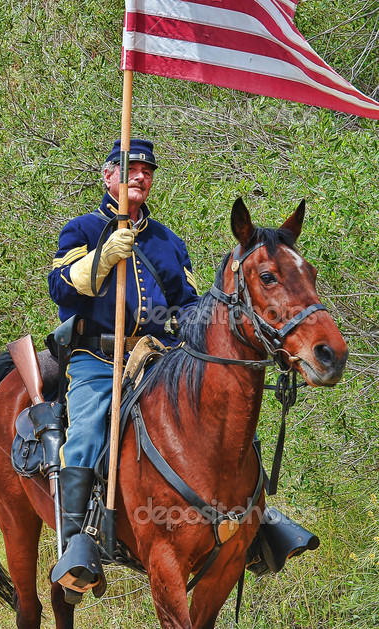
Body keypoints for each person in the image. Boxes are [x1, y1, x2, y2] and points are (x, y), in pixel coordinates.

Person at [46, 139, 318, 595]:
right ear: (108, 176)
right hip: (99, 359)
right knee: (89, 432)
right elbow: (60, 289)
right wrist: (105, 256)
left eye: (147, 171)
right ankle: (77, 544)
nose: (139, 176)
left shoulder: (168, 241)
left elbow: (189, 305)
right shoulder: (83, 230)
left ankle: (256, 518)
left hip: (160, 355)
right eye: (129, 168)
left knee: (222, 422)